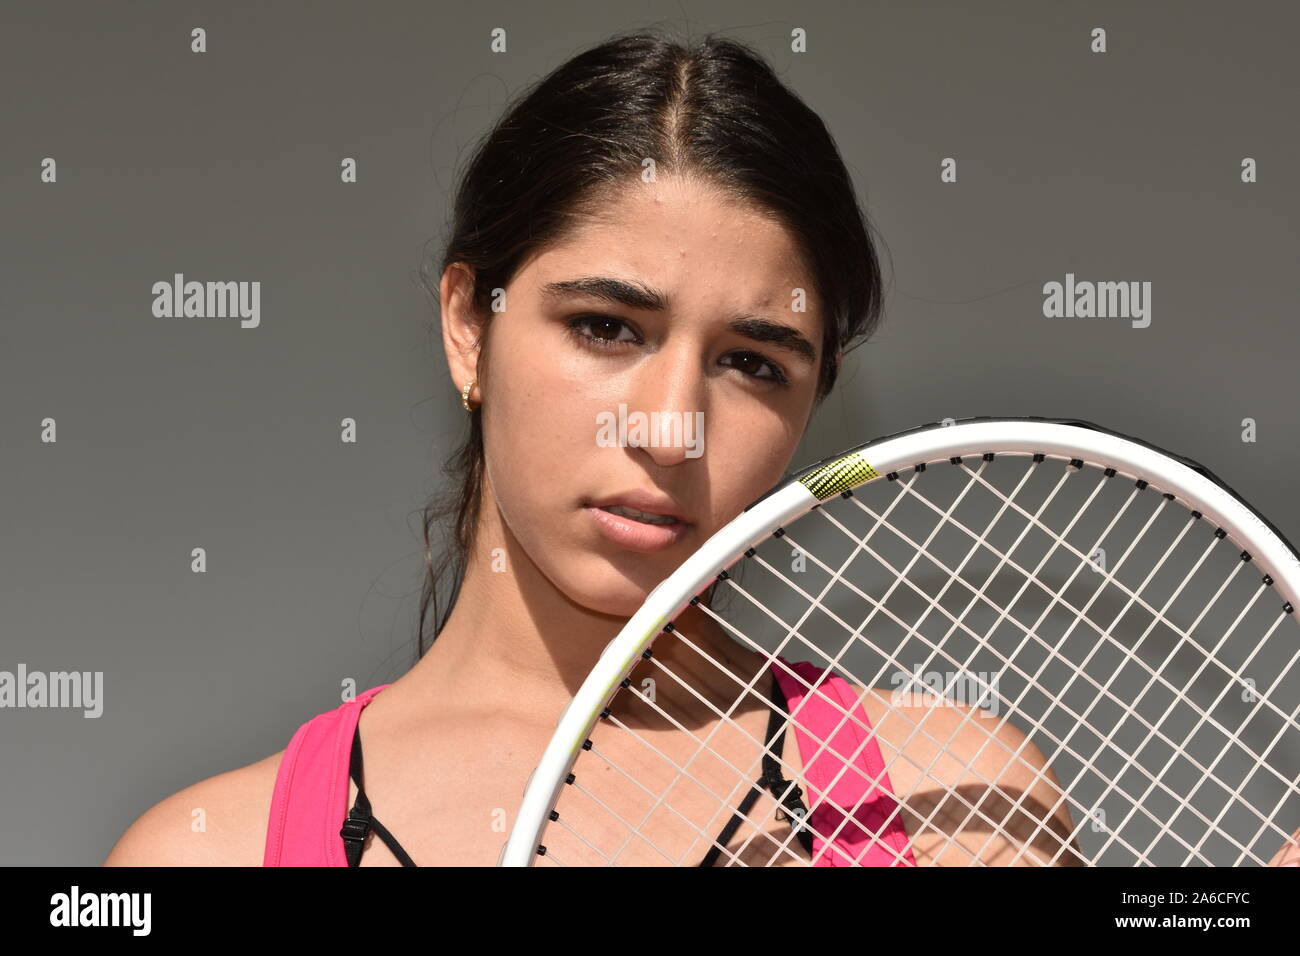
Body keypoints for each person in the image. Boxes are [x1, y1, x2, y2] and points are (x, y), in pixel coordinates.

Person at [103, 29, 1300, 868]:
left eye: (752, 361)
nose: (671, 424)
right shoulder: (205, 851)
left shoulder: (953, 805)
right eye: (605, 326)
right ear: (471, 325)